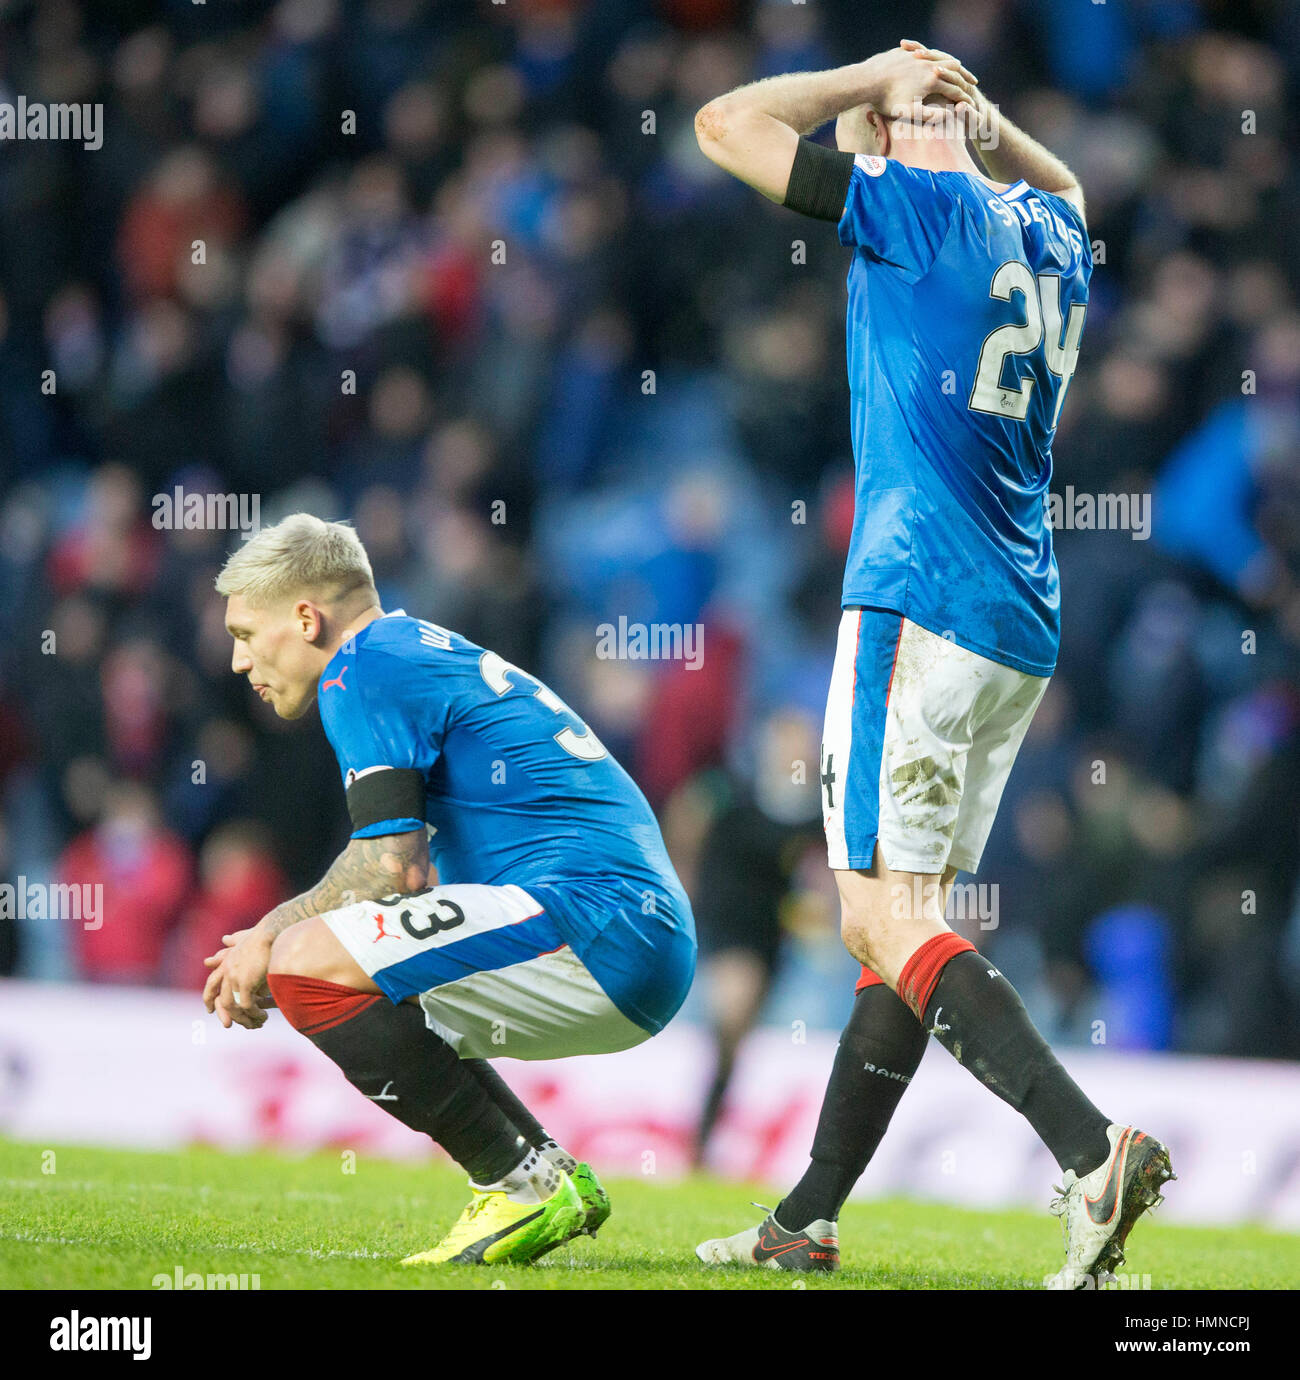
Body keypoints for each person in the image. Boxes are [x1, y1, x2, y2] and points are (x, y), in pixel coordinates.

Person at [691, 39, 1172, 1287]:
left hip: (916, 596)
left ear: (909, 135)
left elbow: (723, 124)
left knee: (876, 913)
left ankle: (1088, 1150)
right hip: (1017, 613)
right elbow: (1063, 182)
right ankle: (807, 1217)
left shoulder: (916, 208)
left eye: (876, 122)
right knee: (906, 930)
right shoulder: (1044, 226)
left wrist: (861, 76)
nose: (859, 133)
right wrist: (975, 117)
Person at [202, 513, 696, 1266]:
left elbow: (390, 869)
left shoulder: (361, 667)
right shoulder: (411, 652)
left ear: (306, 618)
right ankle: (542, 1170)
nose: (240, 661)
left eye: (245, 632)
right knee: (354, 974)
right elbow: (402, 878)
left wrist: (268, 933)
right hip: (632, 930)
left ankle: (517, 1181)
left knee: (305, 961)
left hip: (598, 920)